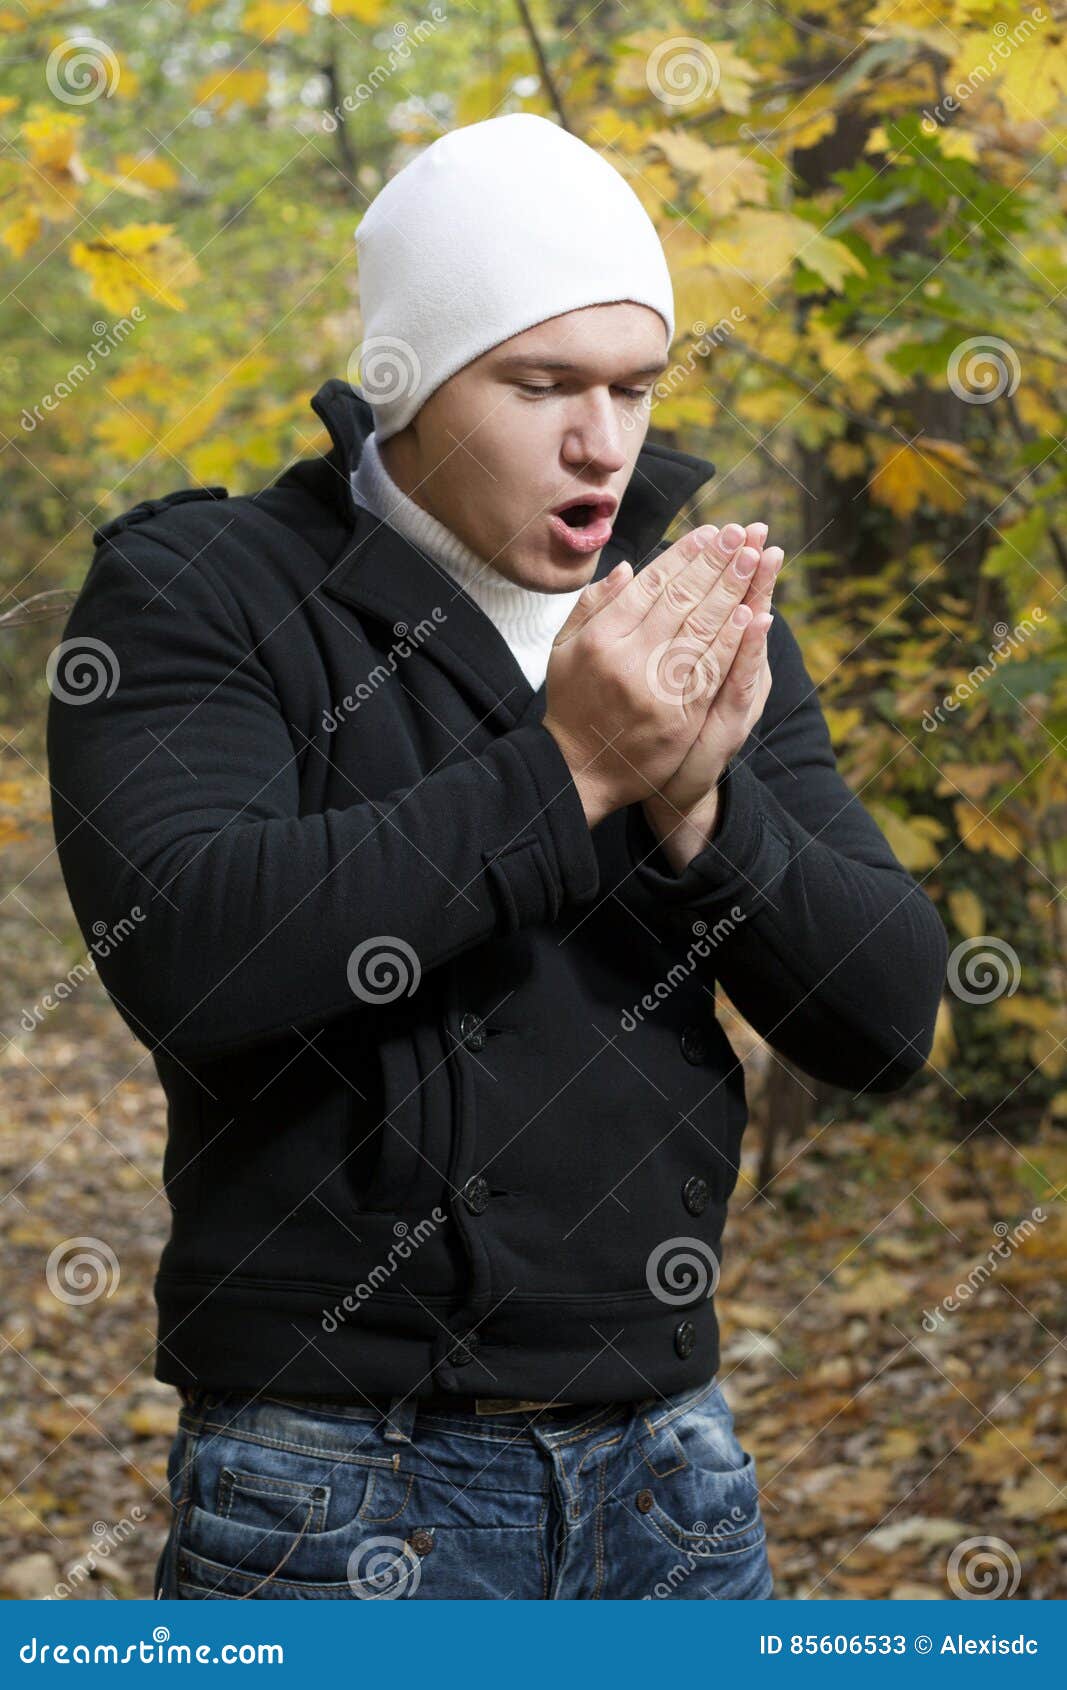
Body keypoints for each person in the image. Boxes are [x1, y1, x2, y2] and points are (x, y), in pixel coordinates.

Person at [46, 113, 947, 1600]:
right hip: (329, 1482)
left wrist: (708, 816)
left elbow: (890, 1015)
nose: (604, 439)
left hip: (673, 1472)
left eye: (635, 387)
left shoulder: (696, 613)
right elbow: (183, 941)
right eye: (542, 386)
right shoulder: (202, 585)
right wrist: (577, 767)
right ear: (404, 379)